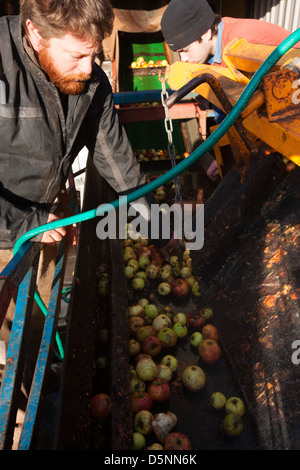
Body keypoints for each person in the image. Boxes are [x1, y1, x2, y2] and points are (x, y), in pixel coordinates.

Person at [0, 0, 176, 393]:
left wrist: (155, 224)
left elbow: (116, 159)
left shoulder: (90, 80)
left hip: (49, 219)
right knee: (9, 320)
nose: (88, 69)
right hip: (6, 225)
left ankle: (40, 381)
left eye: (94, 54)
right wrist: (23, 224)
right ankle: (20, 395)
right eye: (78, 55)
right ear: (34, 33)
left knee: (37, 310)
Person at [161, 0, 300, 179]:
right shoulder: (214, 51)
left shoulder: (246, 42)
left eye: (185, 50)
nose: (183, 58)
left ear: (205, 33)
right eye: (179, 52)